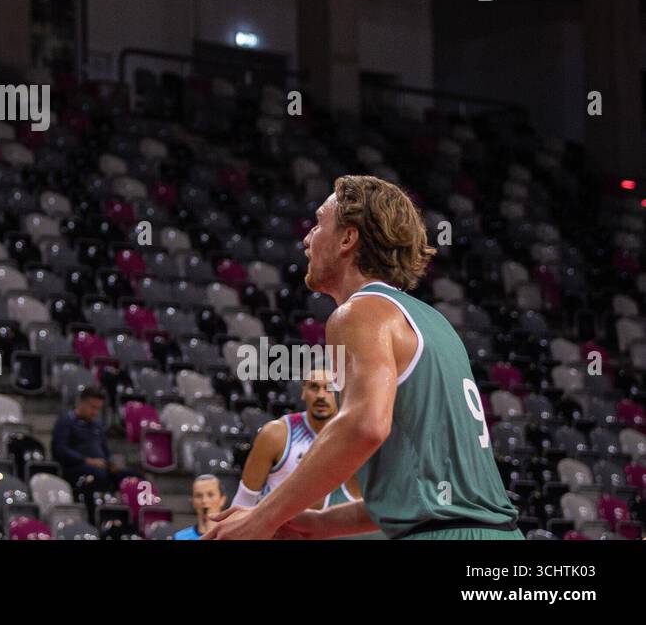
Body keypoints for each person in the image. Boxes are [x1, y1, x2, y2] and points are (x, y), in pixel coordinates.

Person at [207, 175, 520, 540]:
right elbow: (421, 494)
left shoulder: (358, 313)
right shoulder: (435, 323)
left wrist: (263, 517)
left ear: (347, 238)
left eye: (318, 223)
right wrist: (319, 523)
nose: (307, 239)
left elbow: (365, 426)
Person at [229, 370, 362, 513]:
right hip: (279, 530)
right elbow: (245, 499)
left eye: (329, 388)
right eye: (314, 387)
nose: (321, 396)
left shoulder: (354, 438)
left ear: (340, 393)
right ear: (303, 392)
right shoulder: (276, 434)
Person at [52, 387, 130, 490]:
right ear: (82, 402)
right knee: (99, 474)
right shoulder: (66, 422)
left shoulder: (97, 426)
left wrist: (110, 463)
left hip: (101, 468)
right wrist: (88, 460)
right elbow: (60, 450)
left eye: (98, 408)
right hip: (77, 468)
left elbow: (105, 451)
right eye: (93, 407)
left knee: (135, 478)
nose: (95, 412)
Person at [173, 475, 226, 539]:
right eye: (198, 496)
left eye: (210, 495)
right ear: (192, 501)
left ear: (222, 499)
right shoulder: (179, 538)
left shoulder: (233, 535)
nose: (204, 501)